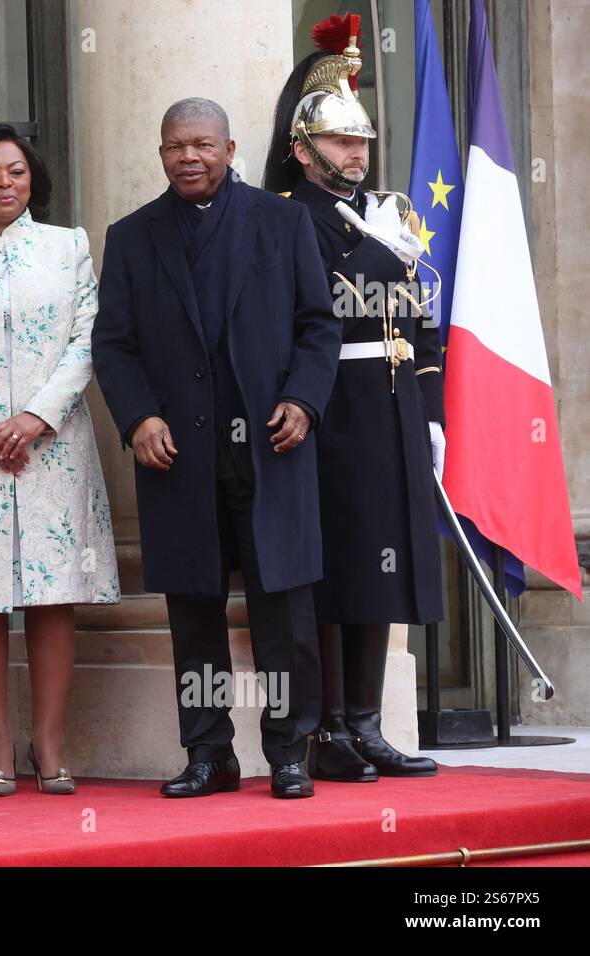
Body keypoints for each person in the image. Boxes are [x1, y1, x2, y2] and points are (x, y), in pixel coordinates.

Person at [92, 97, 342, 799]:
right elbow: (113, 344)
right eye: (174, 146)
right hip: (180, 458)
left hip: (271, 449)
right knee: (194, 612)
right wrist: (138, 417)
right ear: (161, 153)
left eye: (202, 143)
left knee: (285, 613)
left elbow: (318, 328)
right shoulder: (133, 236)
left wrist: (303, 399)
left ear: (230, 149)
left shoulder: (283, 221)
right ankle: (209, 754)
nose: (188, 157)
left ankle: (290, 752)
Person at [264, 14, 440, 780]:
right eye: (340, 141)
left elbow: (424, 320)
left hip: (393, 405)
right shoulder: (289, 217)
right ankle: (328, 727)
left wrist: (430, 412)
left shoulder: (394, 213)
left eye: (362, 141)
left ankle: (366, 724)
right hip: (330, 405)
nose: (356, 153)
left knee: (382, 567)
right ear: (303, 149)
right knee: (332, 570)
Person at [0, 124, 120, 796]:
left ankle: (51, 741)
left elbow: (91, 336)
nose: (4, 183)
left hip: (53, 443)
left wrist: (36, 417)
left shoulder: (68, 247)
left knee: (52, 594)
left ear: (34, 179)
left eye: (16, 172)